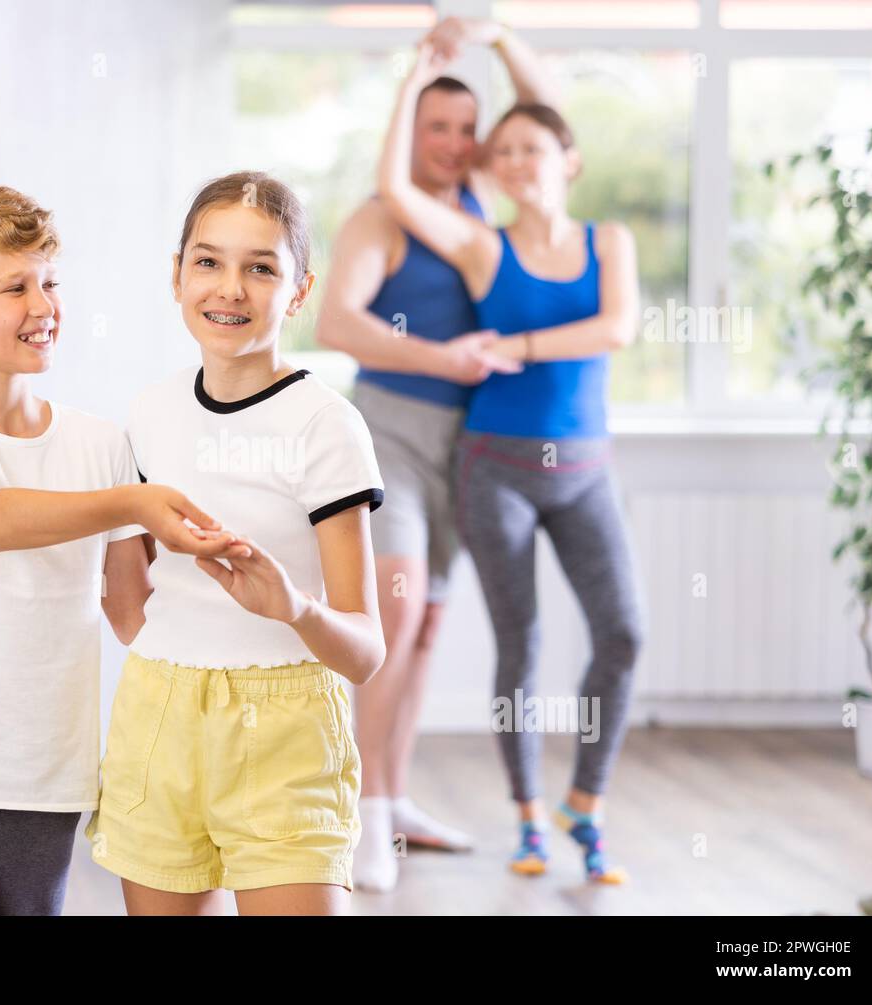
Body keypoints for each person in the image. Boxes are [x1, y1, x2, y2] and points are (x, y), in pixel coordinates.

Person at [0, 181, 243, 915]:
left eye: (49, 281)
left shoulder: (101, 444)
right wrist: (134, 499)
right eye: (15, 287)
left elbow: (134, 615)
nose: (44, 306)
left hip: (49, 786)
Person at [84, 171, 387, 915]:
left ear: (299, 289)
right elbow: (125, 592)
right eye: (208, 261)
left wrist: (293, 607)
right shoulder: (150, 413)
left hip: (287, 730)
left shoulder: (326, 425)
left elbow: (366, 650)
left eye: (261, 267)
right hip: (158, 716)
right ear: (178, 273)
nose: (229, 287)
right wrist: (166, 652)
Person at [377, 43, 645, 884]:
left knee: (624, 633)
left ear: (571, 159)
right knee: (519, 643)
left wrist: (497, 38)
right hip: (495, 465)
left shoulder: (613, 239)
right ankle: (529, 813)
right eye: (506, 150)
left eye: (538, 146)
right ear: (494, 169)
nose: (520, 159)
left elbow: (617, 329)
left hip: (586, 470)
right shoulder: (481, 246)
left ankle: (585, 801)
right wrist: (415, 76)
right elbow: (394, 188)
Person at [316, 16, 556, 892]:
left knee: (427, 635)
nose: (455, 144)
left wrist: (497, 34)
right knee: (394, 624)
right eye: (436, 127)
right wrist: (443, 358)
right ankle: (363, 816)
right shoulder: (384, 216)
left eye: (467, 130)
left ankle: (396, 796)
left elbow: (547, 116)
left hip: (472, 447)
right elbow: (337, 325)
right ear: (408, 130)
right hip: (391, 437)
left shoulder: (484, 206)